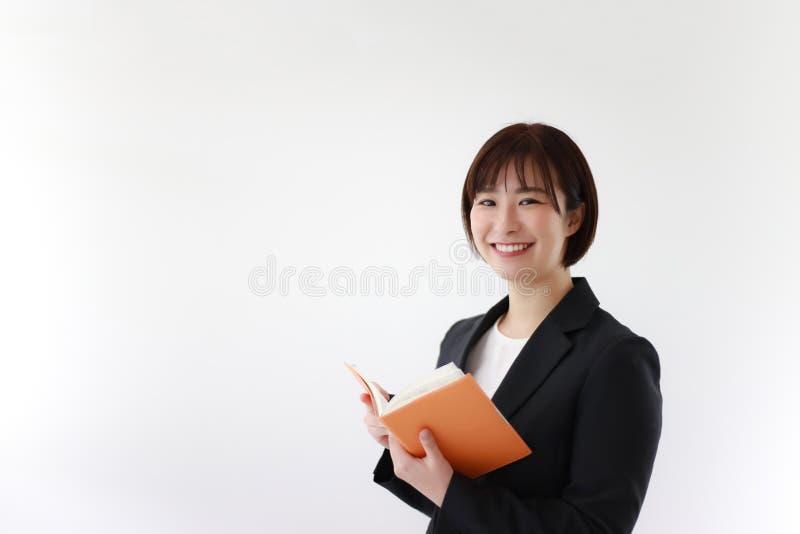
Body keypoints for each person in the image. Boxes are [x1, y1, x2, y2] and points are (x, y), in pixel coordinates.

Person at [359, 122, 662, 534]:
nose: (504, 223)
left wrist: (451, 491)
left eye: (528, 200)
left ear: (574, 217)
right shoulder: (461, 338)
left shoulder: (616, 357)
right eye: (487, 201)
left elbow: (596, 527)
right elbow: (457, 506)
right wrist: (404, 442)